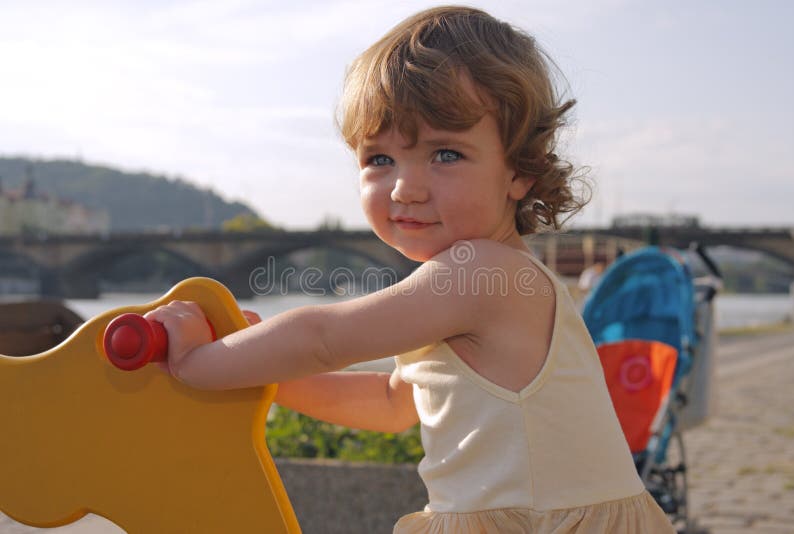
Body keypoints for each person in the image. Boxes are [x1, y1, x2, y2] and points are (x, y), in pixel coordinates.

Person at [147, 6, 674, 533]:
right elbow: (391, 403)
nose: (405, 188)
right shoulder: (485, 280)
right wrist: (268, 372)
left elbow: (323, 336)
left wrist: (195, 362)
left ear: (521, 172)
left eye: (444, 154)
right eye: (379, 160)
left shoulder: (481, 273)